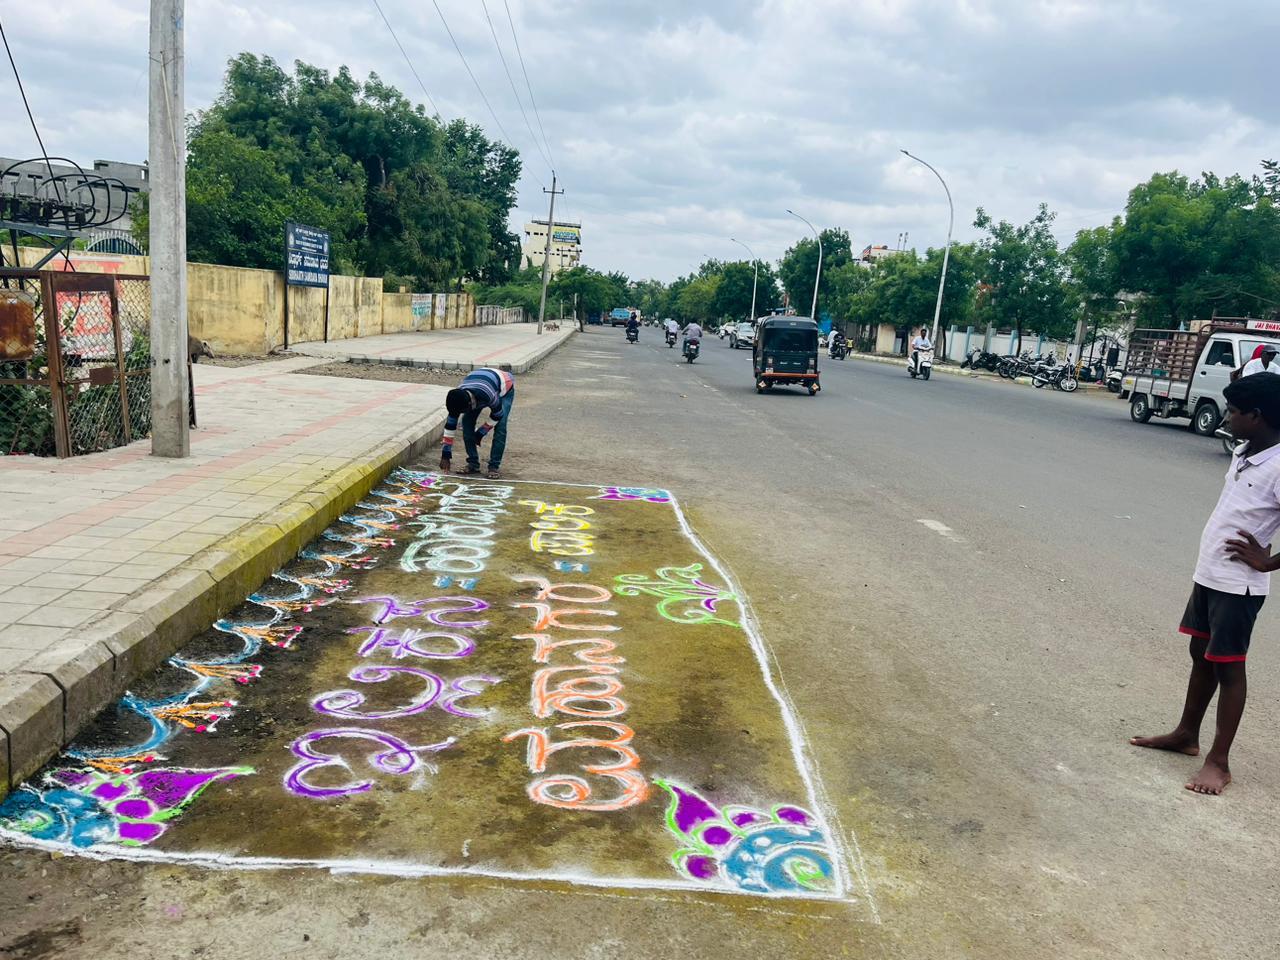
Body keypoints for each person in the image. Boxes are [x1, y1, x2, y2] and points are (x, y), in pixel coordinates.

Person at [1130, 372, 1280, 795]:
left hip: (1239, 586)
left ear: (1257, 415)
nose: (1227, 417)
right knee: (1201, 653)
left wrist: (1268, 563)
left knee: (1228, 668)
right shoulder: (1245, 450)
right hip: (1210, 574)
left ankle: (1219, 762)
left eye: (1233, 412)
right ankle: (1186, 735)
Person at [438, 367, 515, 480]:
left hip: (504, 386)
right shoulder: (457, 399)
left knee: (501, 427)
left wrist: (480, 433)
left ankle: (494, 466)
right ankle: (473, 464)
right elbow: (450, 427)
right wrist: (445, 455)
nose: (461, 413)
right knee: (466, 421)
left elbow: (497, 415)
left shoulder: (487, 395)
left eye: (463, 411)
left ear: (470, 403)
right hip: (480, 383)